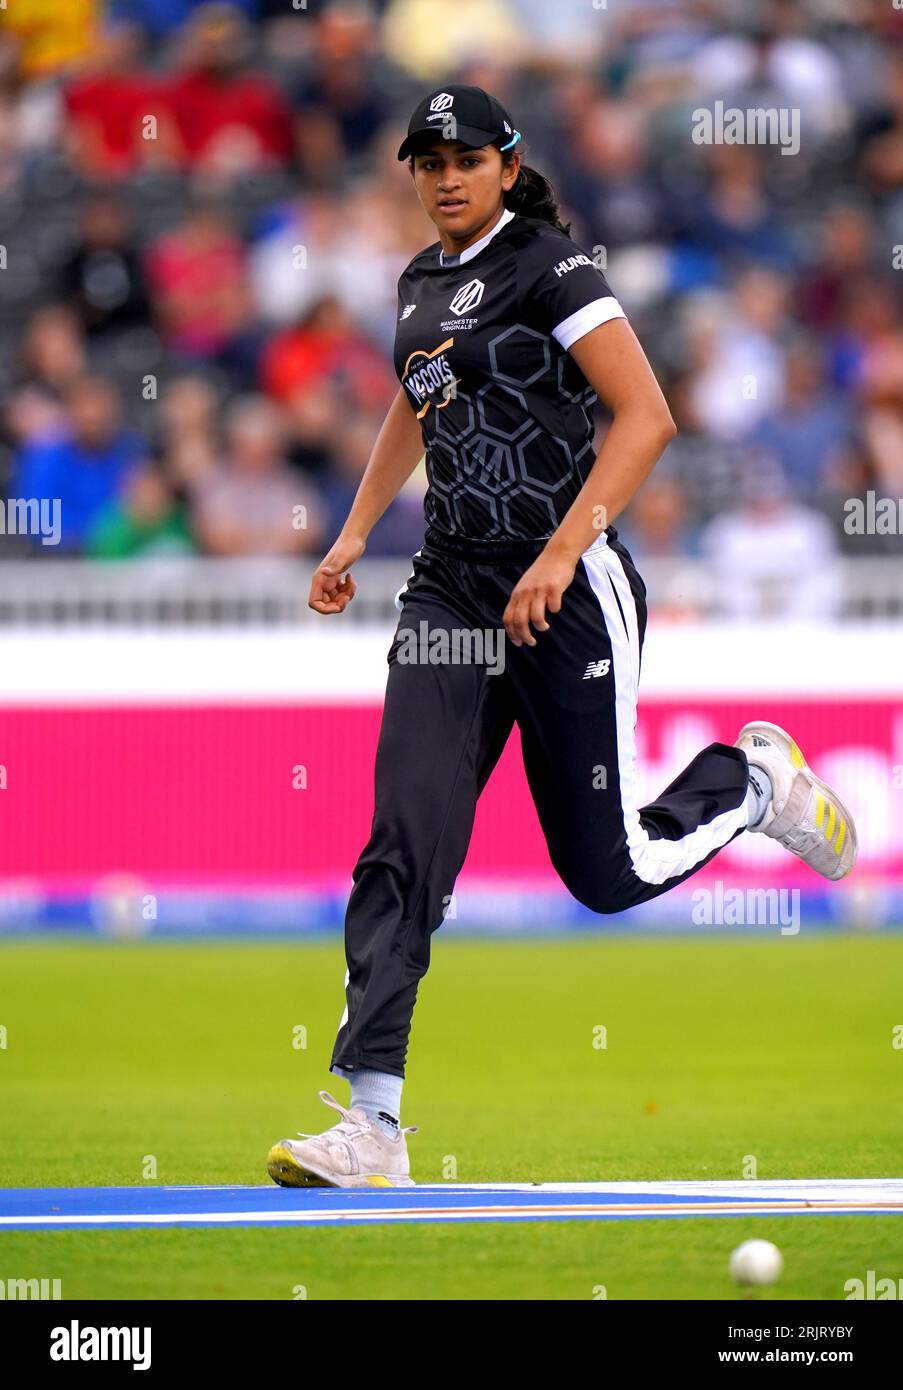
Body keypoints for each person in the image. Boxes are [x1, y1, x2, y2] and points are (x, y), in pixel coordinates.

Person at [266, 85, 858, 1191]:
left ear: (506, 162)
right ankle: (373, 1124)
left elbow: (648, 417)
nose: (444, 175)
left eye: (464, 156)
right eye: (426, 159)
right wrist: (351, 533)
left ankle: (747, 784)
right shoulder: (418, 285)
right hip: (450, 594)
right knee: (406, 840)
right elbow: (414, 403)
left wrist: (554, 554)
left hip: (568, 588)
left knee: (606, 871)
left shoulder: (555, 268)